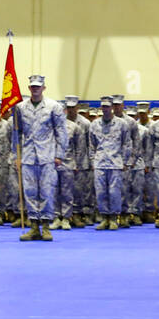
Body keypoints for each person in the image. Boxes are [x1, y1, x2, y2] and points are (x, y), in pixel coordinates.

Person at [11, 75, 68, 242]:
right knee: (29, 192)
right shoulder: (20, 108)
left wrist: (59, 155)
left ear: (44, 88)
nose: (35, 89)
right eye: (32, 86)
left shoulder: (53, 107)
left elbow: (61, 132)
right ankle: (34, 227)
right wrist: (17, 156)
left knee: (46, 192)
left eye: (38, 86)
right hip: (28, 156)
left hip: (47, 156)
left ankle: (46, 227)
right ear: (29, 88)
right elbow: (16, 133)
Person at [90, 95, 132, 230]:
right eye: (103, 107)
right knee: (101, 192)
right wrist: (92, 161)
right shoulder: (94, 124)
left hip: (115, 163)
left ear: (112, 108)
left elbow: (127, 144)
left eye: (108, 107)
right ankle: (104, 217)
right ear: (100, 108)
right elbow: (91, 145)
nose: (105, 109)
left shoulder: (122, 124)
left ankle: (114, 218)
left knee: (114, 192)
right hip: (100, 163)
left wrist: (125, 161)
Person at [58, 95, 90, 229]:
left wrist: (80, 163)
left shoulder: (84, 123)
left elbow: (84, 146)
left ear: (77, 107)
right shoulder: (57, 125)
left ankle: (75, 215)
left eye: (73, 107)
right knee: (58, 191)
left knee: (77, 190)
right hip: (59, 163)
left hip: (77, 163)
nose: (71, 110)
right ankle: (58, 216)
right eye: (68, 108)